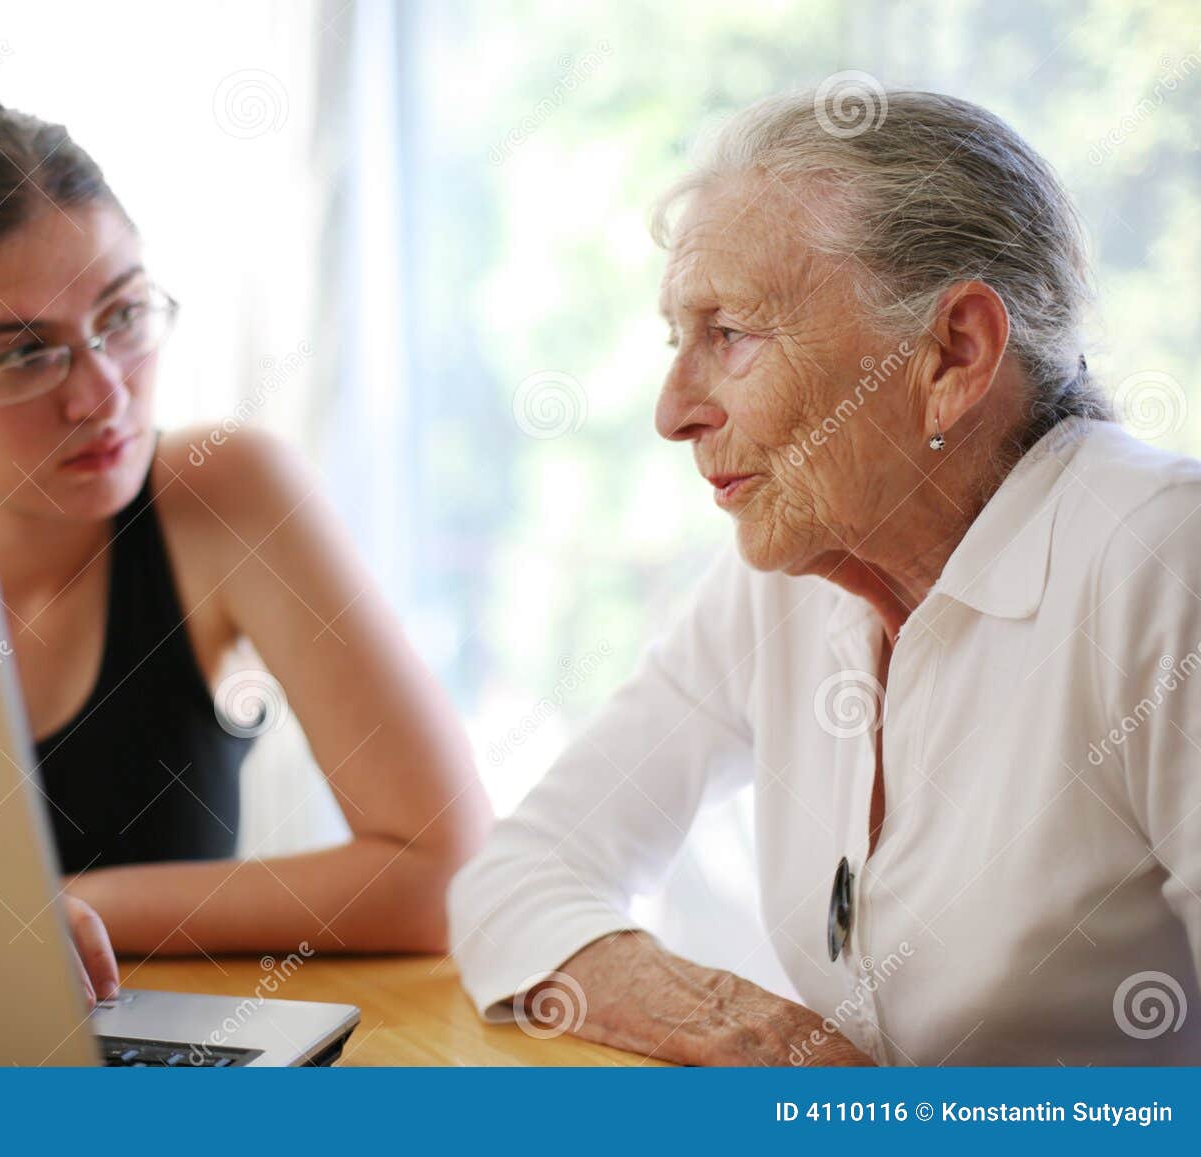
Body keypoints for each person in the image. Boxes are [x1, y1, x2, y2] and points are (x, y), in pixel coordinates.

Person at [449, 89, 1201, 1065]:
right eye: (678, 338)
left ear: (954, 352)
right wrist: (749, 1037)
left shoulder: (1161, 564)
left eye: (732, 334)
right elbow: (519, 871)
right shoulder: (791, 570)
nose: (673, 410)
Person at [0, 100, 490, 992]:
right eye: (25, 353)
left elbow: (445, 871)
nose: (103, 394)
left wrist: (48, 910)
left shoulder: (227, 495)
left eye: (121, 315)